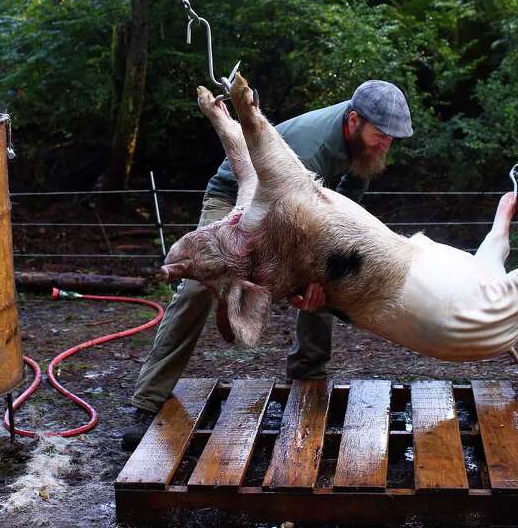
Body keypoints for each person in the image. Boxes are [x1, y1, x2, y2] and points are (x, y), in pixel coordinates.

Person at [122, 80, 413, 450]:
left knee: (326, 282)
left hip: (297, 209)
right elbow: (278, 210)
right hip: (238, 194)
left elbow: (347, 211)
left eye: (392, 139)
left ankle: (308, 378)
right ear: (354, 120)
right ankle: (149, 400)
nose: (386, 145)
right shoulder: (315, 145)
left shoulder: (362, 145)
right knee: (197, 288)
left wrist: (322, 273)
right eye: (381, 136)